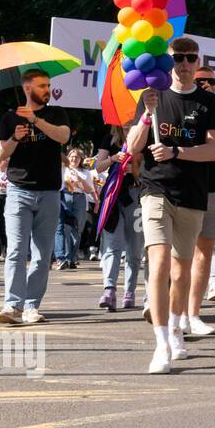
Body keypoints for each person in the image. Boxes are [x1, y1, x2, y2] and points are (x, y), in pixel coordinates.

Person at [127, 36, 215, 374]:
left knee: (182, 271)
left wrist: (176, 151)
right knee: (159, 264)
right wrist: (145, 117)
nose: (183, 64)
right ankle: (161, 342)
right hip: (156, 191)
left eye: (189, 58)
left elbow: (213, 151)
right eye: (177, 58)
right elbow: (132, 147)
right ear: (168, 62)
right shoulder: (151, 97)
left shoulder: (209, 102)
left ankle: (178, 323)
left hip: (193, 195)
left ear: (197, 63)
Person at [0, 69, 71, 325]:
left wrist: (36, 121)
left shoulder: (56, 113)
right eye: (42, 86)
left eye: (48, 85)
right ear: (27, 88)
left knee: (42, 254)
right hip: (19, 191)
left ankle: (31, 306)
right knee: (16, 251)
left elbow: (63, 136)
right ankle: (12, 305)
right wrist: (15, 137)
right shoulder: (9, 117)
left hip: (49, 191)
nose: (47, 90)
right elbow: (2, 154)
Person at [180, 66, 215, 337]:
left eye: (210, 81)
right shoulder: (183, 101)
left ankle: (194, 313)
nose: (204, 85)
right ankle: (173, 309)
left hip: (213, 187)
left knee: (204, 250)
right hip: (184, 186)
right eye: (200, 81)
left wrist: (210, 101)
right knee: (178, 251)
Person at [95, 125, 143, 311]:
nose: (127, 123)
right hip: (113, 197)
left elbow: (148, 172)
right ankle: (109, 290)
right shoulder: (109, 139)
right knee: (112, 246)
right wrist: (113, 159)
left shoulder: (143, 138)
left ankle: (129, 292)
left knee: (135, 248)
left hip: (136, 196)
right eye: (124, 120)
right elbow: (98, 166)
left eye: (131, 119)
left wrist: (134, 170)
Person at [54, 148, 96, 269]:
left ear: (81, 159)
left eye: (77, 157)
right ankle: (65, 258)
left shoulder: (85, 172)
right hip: (65, 196)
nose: (74, 159)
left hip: (80, 198)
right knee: (65, 228)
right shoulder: (63, 169)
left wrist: (79, 178)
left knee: (77, 230)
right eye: (72, 156)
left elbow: (89, 189)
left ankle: (72, 257)